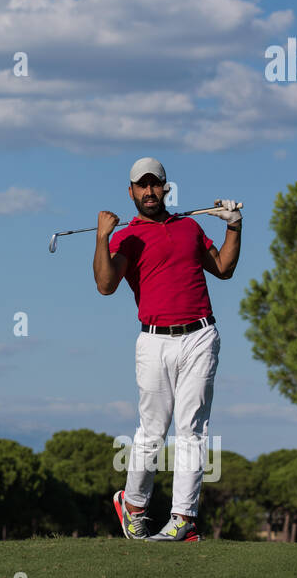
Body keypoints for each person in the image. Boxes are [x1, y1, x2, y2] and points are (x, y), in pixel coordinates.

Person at [92, 156, 242, 541]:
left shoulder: (191, 227)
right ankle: (135, 507)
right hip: (154, 339)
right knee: (152, 431)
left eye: (154, 184)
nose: (149, 191)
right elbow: (106, 286)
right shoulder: (128, 236)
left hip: (200, 335)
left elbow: (223, 268)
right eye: (141, 186)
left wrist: (234, 228)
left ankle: (183, 520)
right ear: (131, 192)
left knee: (192, 429)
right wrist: (102, 238)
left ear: (165, 187)